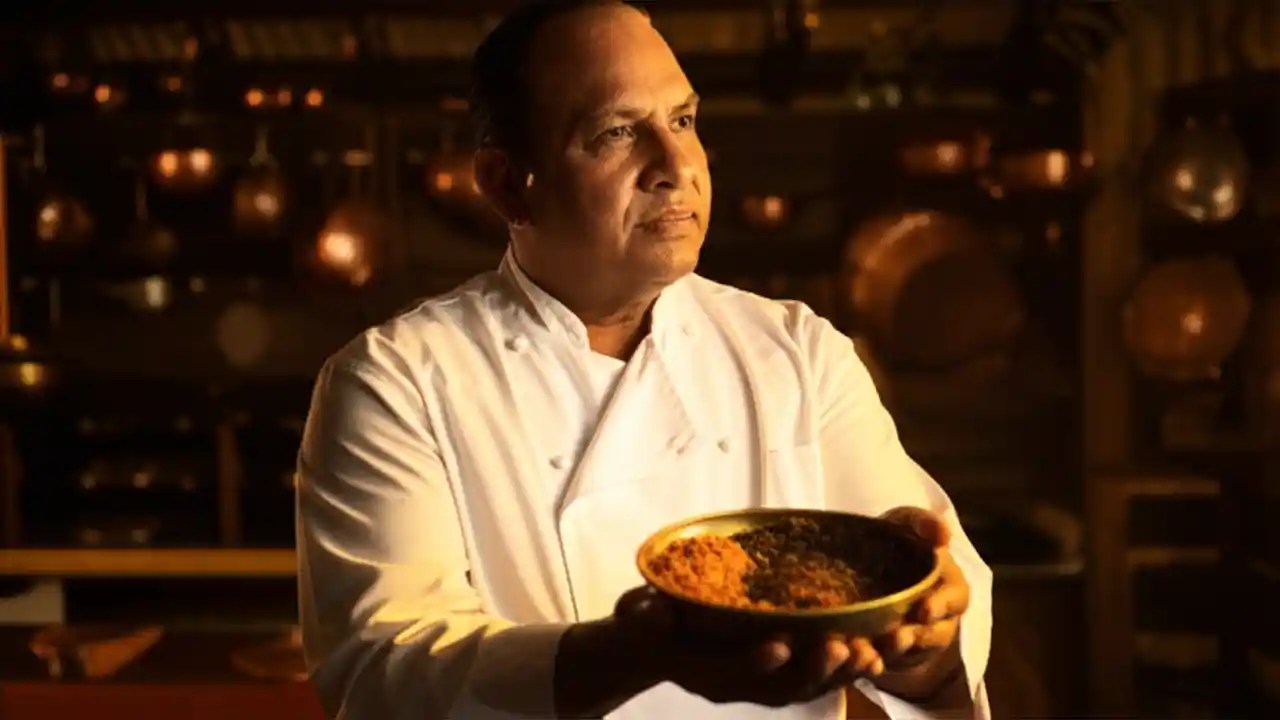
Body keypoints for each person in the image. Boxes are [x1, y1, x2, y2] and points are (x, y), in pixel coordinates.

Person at [294, 1, 993, 718]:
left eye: (682, 120)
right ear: (506, 183)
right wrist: (632, 653)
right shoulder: (396, 384)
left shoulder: (797, 354)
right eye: (617, 133)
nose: (676, 166)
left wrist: (925, 640)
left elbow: (934, 618)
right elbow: (385, 670)